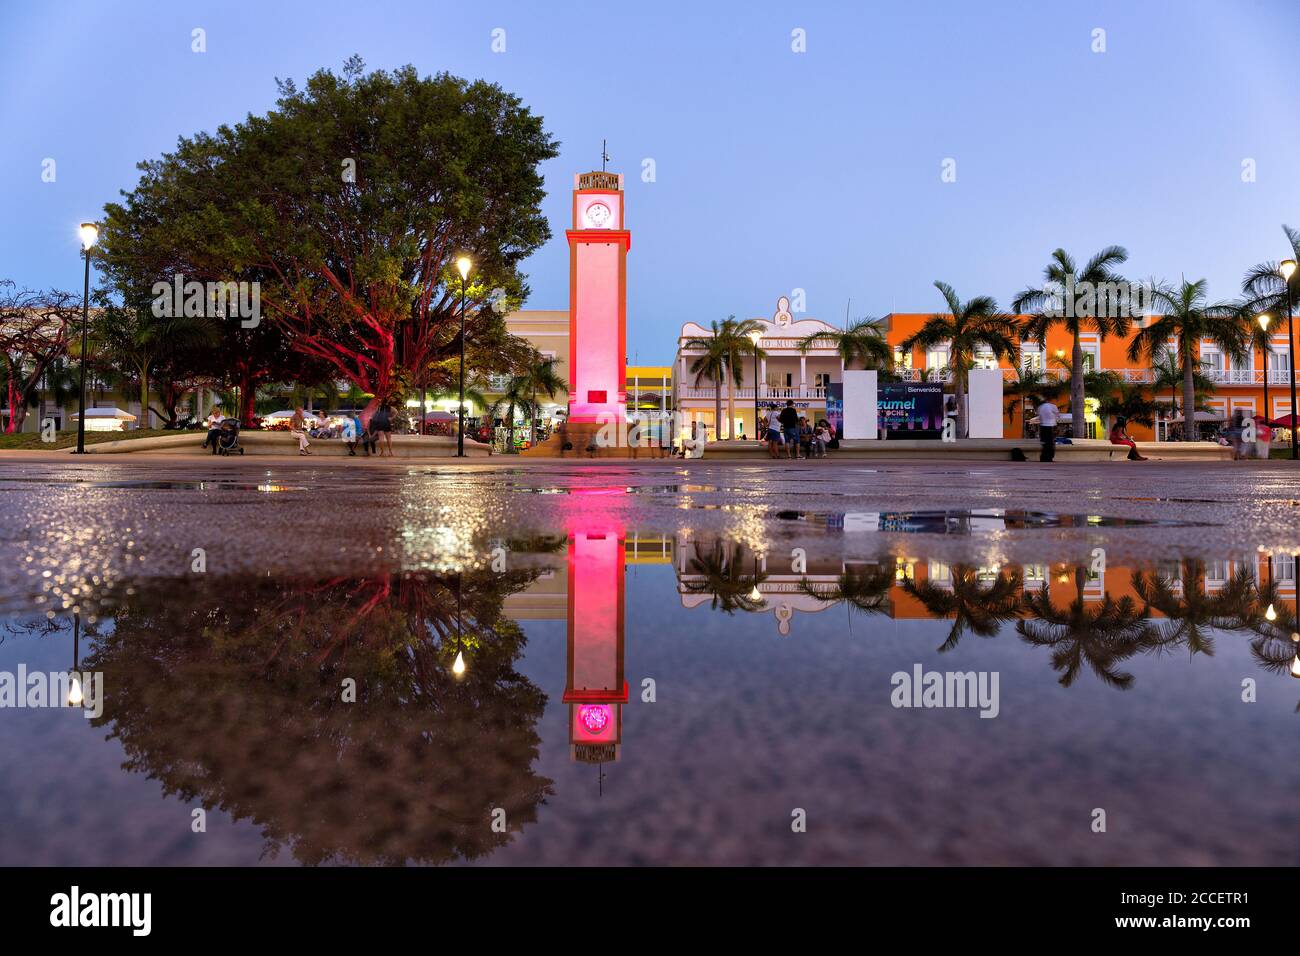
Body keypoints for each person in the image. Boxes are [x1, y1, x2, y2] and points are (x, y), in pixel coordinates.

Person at [1035, 396, 1058, 463]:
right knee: (1050, 443)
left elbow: (1039, 415)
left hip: (1043, 426)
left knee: (1044, 443)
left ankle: (1043, 457)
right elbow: (1057, 415)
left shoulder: (1040, 407)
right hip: (1051, 426)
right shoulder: (1053, 406)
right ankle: (1049, 457)